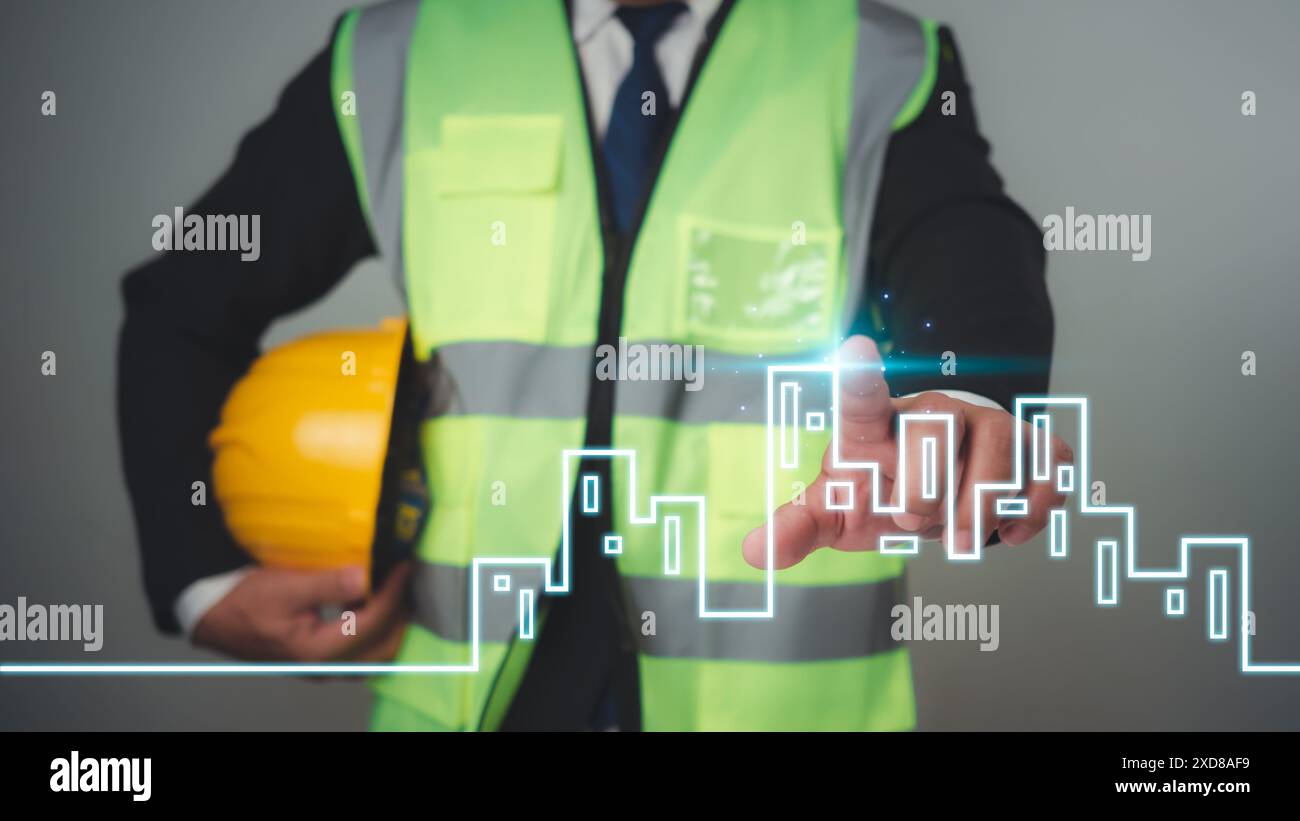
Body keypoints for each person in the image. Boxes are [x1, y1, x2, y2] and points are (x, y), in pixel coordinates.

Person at [118, 0, 1060, 731]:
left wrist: (970, 390)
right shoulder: (396, 55)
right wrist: (201, 582)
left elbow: (965, 236)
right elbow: (181, 307)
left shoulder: (873, 55)